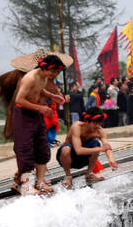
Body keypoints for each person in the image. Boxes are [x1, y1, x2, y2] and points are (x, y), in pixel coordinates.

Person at [8, 51, 70, 194]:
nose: (54, 75)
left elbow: (39, 89)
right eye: (53, 71)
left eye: (57, 72)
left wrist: (52, 96)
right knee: (25, 149)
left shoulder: (44, 78)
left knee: (42, 147)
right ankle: (25, 185)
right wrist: (41, 108)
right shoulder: (30, 78)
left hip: (36, 114)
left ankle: (40, 181)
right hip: (23, 114)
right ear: (45, 68)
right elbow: (19, 100)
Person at [56, 109, 118, 189]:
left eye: (99, 123)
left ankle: (89, 173)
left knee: (96, 144)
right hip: (67, 158)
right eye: (95, 123)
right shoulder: (77, 127)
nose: (98, 126)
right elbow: (78, 150)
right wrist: (100, 149)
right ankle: (68, 176)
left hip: (83, 159)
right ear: (87, 121)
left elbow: (107, 146)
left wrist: (111, 159)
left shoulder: (100, 131)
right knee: (66, 149)